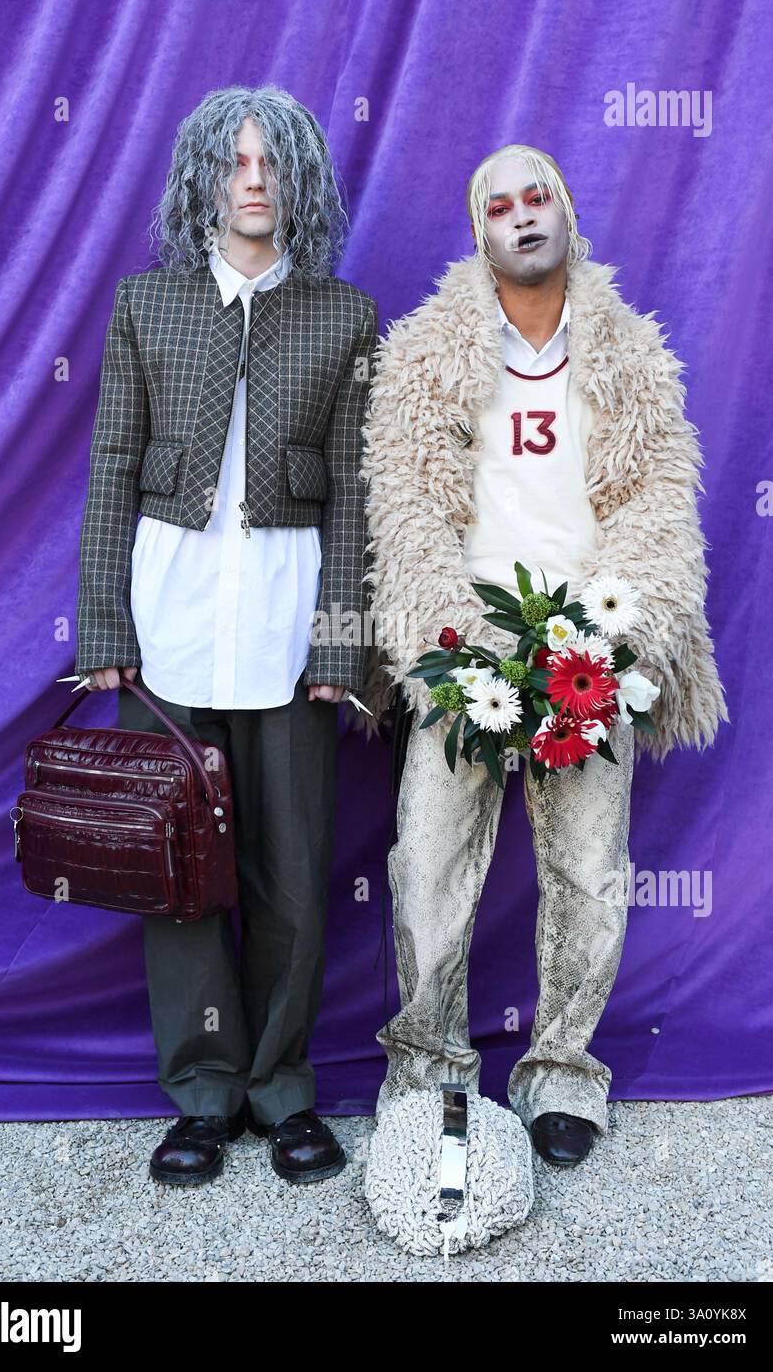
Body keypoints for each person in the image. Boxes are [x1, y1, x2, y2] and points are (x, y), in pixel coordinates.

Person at [359, 144, 728, 1167]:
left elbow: (655, 505)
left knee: (586, 865)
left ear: (566, 214)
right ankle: (428, 1068)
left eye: (536, 199)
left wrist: (611, 638)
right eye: (497, 205)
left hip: (583, 643)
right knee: (426, 858)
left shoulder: (628, 353)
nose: (519, 216)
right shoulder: (428, 349)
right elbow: (405, 502)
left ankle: (561, 1071)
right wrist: (450, 631)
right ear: (475, 231)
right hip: (464, 640)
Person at [74, 85, 377, 1186]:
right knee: (181, 876)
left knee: (293, 879)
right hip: (168, 633)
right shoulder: (144, 305)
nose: (255, 179)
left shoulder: (344, 315)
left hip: (290, 633)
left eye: (273, 163)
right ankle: (203, 1094)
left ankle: (280, 1092)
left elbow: (350, 492)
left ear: (300, 182)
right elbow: (111, 467)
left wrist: (342, 649)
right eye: (235, 161)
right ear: (204, 176)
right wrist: (104, 619)